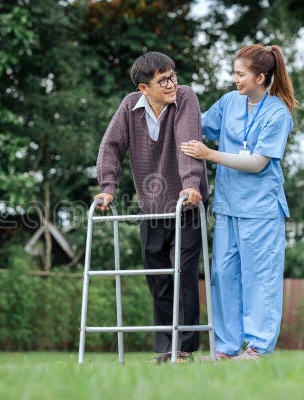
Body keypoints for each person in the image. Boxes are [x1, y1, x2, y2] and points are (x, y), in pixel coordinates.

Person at [180, 44, 297, 360]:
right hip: (228, 207)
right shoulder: (230, 102)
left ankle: (257, 346)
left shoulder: (277, 113)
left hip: (261, 209)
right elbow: (198, 125)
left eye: (240, 74)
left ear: (260, 77)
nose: (235, 79)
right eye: (234, 73)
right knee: (224, 277)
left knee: (260, 278)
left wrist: (210, 154)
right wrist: (171, 104)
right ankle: (226, 348)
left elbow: (259, 162)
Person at [94, 51, 208, 363]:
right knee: (156, 273)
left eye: (173, 75)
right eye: (163, 80)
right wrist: (108, 189)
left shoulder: (185, 99)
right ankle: (165, 347)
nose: (172, 83)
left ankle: (183, 348)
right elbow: (111, 146)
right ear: (144, 88)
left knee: (182, 270)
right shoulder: (130, 107)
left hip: (188, 202)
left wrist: (191, 182)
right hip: (152, 205)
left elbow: (187, 142)